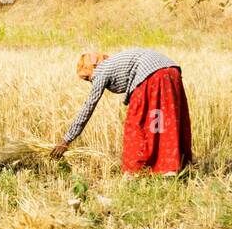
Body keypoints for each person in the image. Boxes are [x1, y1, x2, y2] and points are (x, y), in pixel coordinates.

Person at [50, 48, 193, 174]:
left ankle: (136, 170)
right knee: (167, 120)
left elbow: (89, 106)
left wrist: (66, 141)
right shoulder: (113, 62)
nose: (91, 81)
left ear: (91, 68)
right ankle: (170, 167)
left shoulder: (101, 71)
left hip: (151, 76)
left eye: (87, 77)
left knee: (136, 125)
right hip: (172, 71)